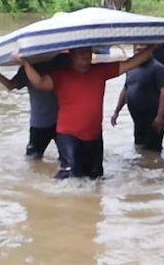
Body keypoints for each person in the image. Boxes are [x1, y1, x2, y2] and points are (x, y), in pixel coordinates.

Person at [14, 44, 156, 179]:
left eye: (88, 51)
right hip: (69, 135)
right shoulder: (61, 75)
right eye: (81, 51)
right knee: (73, 176)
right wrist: (25, 63)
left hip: (94, 136)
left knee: (95, 178)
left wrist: (155, 45)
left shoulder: (101, 70)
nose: (86, 55)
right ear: (71, 55)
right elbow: (40, 83)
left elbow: (130, 63)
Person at [0, 54, 66, 159]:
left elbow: (10, 85)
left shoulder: (62, 61)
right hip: (41, 123)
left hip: (61, 122)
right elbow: (11, 85)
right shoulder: (27, 69)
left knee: (62, 159)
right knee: (34, 159)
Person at [110, 44, 164, 152]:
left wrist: (160, 116)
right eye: (136, 50)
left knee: (153, 151)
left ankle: (156, 167)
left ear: (149, 51)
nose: (138, 52)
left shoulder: (158, 69)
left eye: (141, 50)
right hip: (137, 118)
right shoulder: (130, 68)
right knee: (139, 148)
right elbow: (125, 89)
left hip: (153, 117)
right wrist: (116, 112)